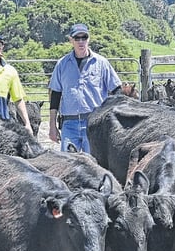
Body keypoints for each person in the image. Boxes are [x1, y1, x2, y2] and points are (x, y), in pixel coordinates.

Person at [47, 23, 121, 154]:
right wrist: (52, 126)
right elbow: (55, 96)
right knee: (68, 167)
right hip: (69, 124)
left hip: (94, 124)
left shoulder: (101, 63)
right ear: (71, 40)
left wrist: (114, 120)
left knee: (94, 166)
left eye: (84, 37)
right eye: (77, 38)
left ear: (89, 39)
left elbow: (117, 90)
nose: (81, 42)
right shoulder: (62, 64)